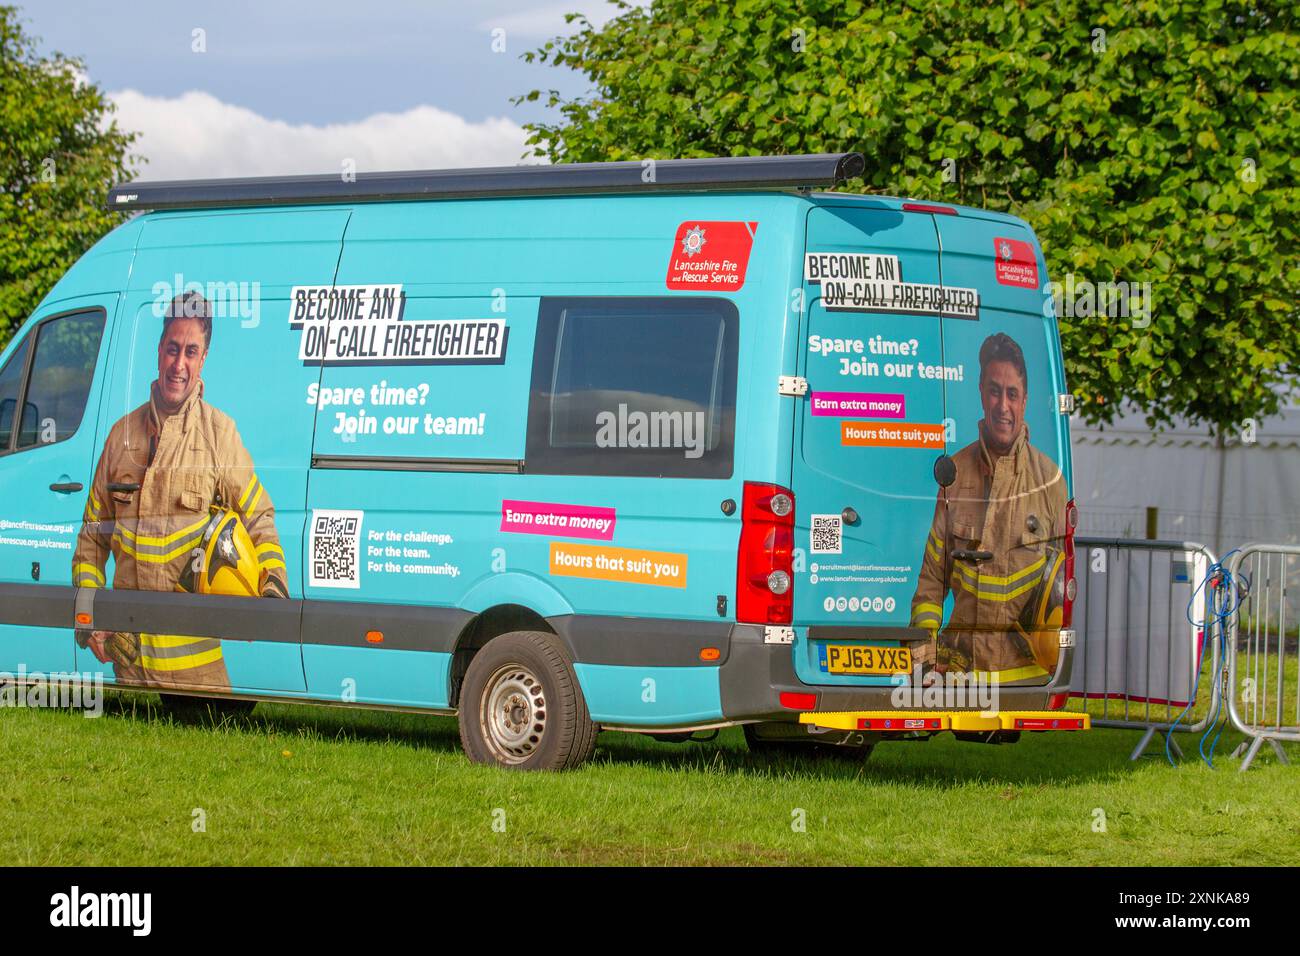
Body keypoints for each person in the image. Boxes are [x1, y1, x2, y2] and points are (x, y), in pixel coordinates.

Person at [72, 291, 287, 691]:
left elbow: (260, 517)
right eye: (173, 349)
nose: (179, 364)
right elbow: (91, 540)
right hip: (130, 669)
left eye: (191, 351)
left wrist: (271, 589)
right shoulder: (121, 437)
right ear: (159, 349)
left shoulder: (220, 436)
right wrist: (93, 622)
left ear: (203, 358)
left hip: (198, 677)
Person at [909, 331, 1067, 683]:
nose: (1003, 405)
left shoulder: (1050, 482)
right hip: (960, 672)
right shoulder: (955, 473)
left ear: (1025, 400)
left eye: (1012, 394)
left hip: (1025, 677)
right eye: (995, 391)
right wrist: (924, 658)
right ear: (981, 392)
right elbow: (932, 582)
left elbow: (1062, 589)